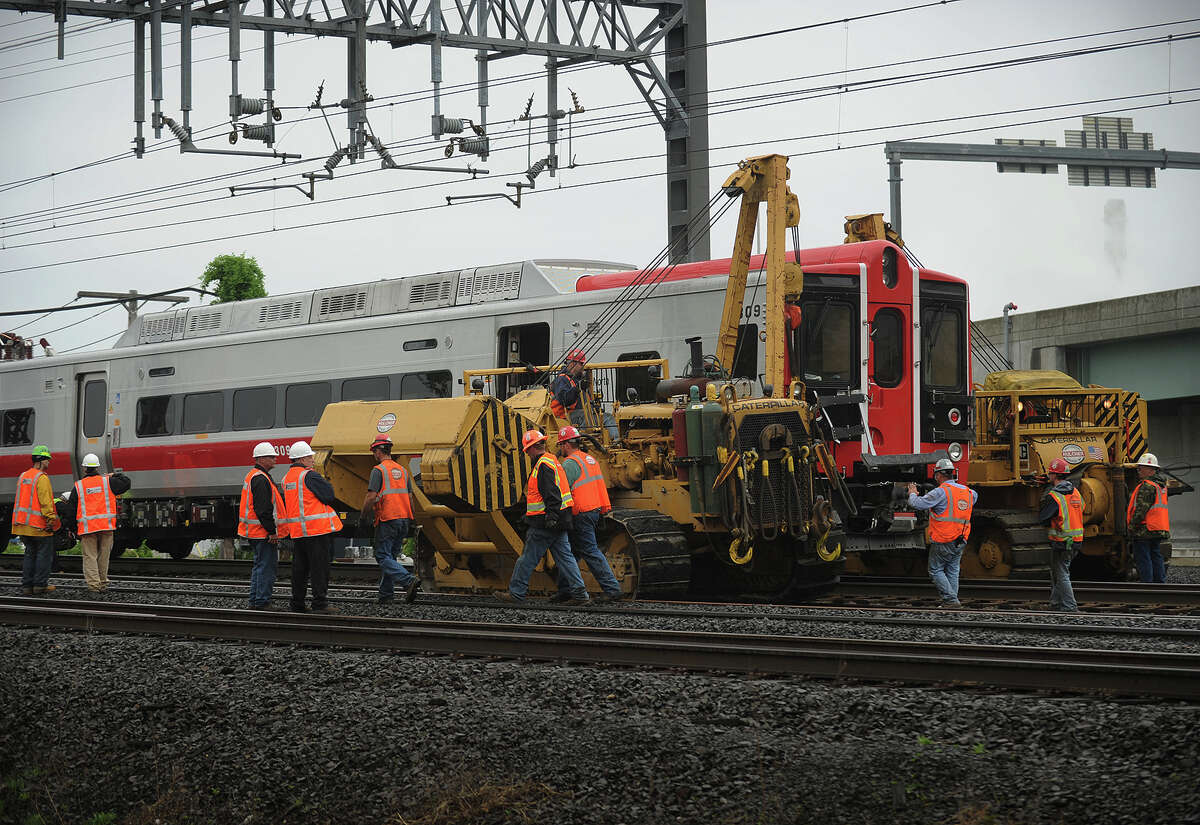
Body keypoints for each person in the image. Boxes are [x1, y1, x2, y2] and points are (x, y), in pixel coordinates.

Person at [495, 429, 588, 604]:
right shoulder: (552, 461)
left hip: (546, 523)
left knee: (527, 559)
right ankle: (580, 594)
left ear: (530, 449)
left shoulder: (543, 465)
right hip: (560, 520)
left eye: (527, 450)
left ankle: (516, 593)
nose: (527, 453)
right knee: (566, 559)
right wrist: (529, 517)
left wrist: (550, 517)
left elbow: (552, 494)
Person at [553, 426, 626, 603]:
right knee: (570, 552)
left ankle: (612, 589)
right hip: (593, 509)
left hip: (580, 512)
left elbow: (560, 490)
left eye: (560, 445)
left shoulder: (570, 463)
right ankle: (565, 589)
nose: (560, 449)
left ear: (565, 444)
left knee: (588, 550)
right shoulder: (590, 459)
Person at [280, 441, 343, 614]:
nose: (313, 459)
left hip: (299, 532)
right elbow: (329, 496)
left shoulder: (287, 479)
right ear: (301, 458)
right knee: (319, 568)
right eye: (309, 456)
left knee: (299, 569)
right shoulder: (309, 476)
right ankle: (320, 604)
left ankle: (297, 603)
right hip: (316, 530)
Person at [907, 457, 976, 608]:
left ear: (938, 475)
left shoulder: (940, 492)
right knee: (952, 569)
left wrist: (912, 493)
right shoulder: (969, 492)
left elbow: (916, 504)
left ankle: (951, 600)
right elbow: (973, 499)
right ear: (953, 474)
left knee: (935, 569)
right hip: (961, 538)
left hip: (944, 538)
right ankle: (951, 601)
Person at [362, 435, 421, 605]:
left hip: (388, 518)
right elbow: (410, 498)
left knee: (381, 555)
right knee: (391, 557)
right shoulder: (403, 471)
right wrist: (412, 518)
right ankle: (386, 595)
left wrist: (363, 516)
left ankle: (408, 580)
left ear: (379, 451)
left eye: (374, 451)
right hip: (403, 518)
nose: (374, 454)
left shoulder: (378, 470)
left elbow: (371, 496)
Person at [69, 453, 131, 592]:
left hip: (87, 528)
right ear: (98, 467)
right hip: (106, 526)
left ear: (84, 468)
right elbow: (127, 482)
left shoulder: (78, 486)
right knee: (104, 555)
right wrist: (113, 475)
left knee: (90, 556)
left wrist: (73, 528)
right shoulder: (107, 482)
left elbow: (71, 509)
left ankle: (94, 585)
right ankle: (102, 583)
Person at [237, 442, 285, 609]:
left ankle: (256, 600)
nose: (275, 459)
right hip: (262, 532)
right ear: (262, 459)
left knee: (260, 566)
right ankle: (262, 601)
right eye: (272, 457)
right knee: (266, 567)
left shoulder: (254, 476)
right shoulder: (260, 479)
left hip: (255, 532)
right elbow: (263, 509)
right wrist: (272, 531)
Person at [11, 445, 60, 595]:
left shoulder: (23, 476)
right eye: (47, 460)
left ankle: (27, 586)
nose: (49, 463)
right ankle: (39, 585)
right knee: (43, 555)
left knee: (30, 553)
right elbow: (45, 502)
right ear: (41, 460)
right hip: (39, 525)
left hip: (22, 524)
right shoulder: (41, 478)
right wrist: (51, 519)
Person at [1039, 457, 1083, 612]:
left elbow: (1044, 518)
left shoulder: (1054, 496)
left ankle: (1070, 606)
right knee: (1059, 572)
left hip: (1062, 541)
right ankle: (1055, 603)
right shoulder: (1076, 492)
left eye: (1050, 473)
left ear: (1053, 475)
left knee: (1062, 573)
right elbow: (1081, 508)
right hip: (1076, 540)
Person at [1127, 452, 1170, 583]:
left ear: (1151, 470)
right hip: (1158, 528)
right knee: (1156, 556)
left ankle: (1147, 585)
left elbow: (1141, 510)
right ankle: (1159, 584)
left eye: (1142, 467)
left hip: (1145, 529)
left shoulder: (1147, 486)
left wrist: (1131, 527)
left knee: (1143, 558)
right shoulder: (1160, 485)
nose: (1138, 470)